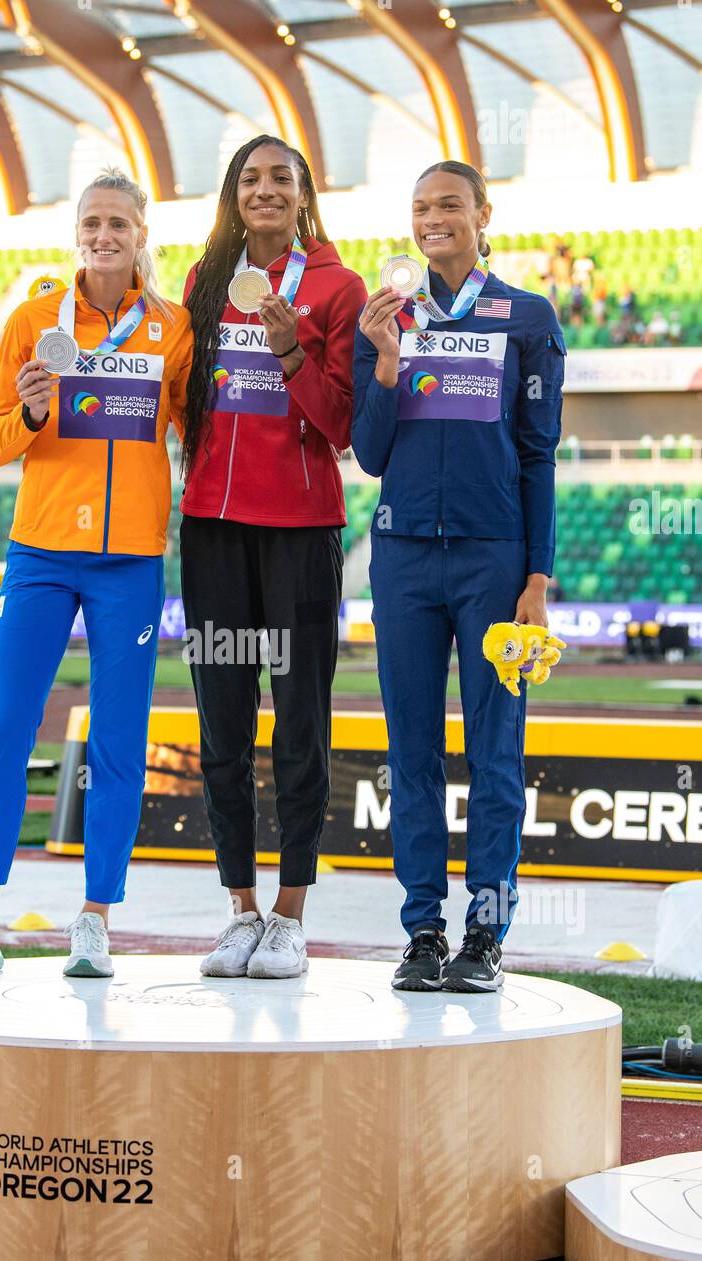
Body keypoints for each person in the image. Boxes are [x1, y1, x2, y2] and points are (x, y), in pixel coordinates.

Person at [0, 168, 193, 978]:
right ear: (78, 232)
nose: (106, 236)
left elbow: (193, 430)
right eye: (93, 223)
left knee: (119, 742)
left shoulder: (171, 327)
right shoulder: (35, 320)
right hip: (37, 553)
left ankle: (96, 919)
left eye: (120, 225)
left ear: (142, 236)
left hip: (130, 560)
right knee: (5, 729)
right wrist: (32, 409)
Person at [352, 160, 566, 992]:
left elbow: (538, 455)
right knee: (412, 748)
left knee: (495, 748)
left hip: (494, 560)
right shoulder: (389, 316)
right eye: (419, 208)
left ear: (483, 214)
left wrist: (536, 578)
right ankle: (422, 930)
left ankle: (486, 927)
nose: (432, 219)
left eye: (449, 205)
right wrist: (381, 359)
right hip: (402, 560)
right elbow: (369, 454)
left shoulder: (528, 317)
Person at [179, 134, 367, 980]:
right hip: (214, 529)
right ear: (235, 193)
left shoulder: (338, 286)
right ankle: (238, 910)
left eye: (280, 178)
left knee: (299, 724)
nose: (265, 190)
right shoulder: (204, 281)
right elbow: (190, 401)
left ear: (302, 193)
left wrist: (292, 348)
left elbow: (343, 428)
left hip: (298, 532)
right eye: (250, 178)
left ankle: (291, 914)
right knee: (222, 723)